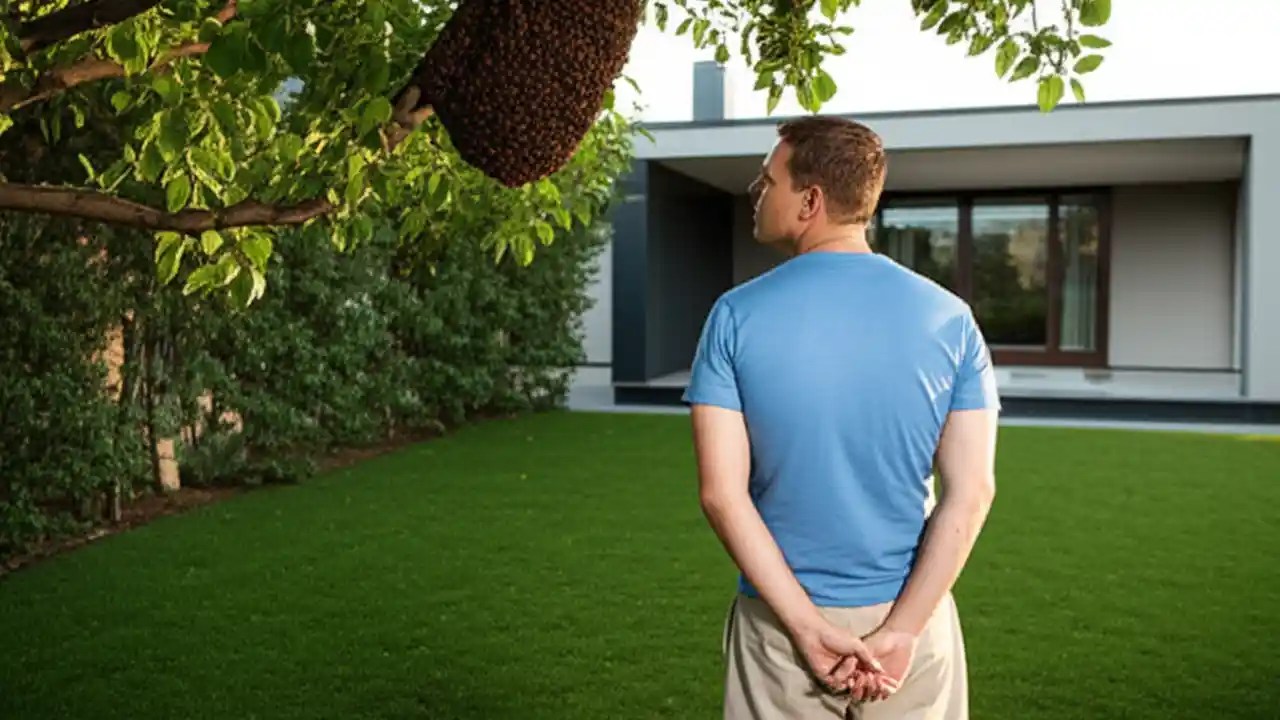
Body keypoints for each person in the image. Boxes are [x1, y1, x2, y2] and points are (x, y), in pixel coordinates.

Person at [684, 115, 1001, 720]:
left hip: (778, 630)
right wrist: (904, 631)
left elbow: (723, 495)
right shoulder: (952, 318)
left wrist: (805, 627)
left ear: (810, 201)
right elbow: (972, 491)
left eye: (767, 180)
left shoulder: (732, 317)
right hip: (910, 628)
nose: (757, 193)